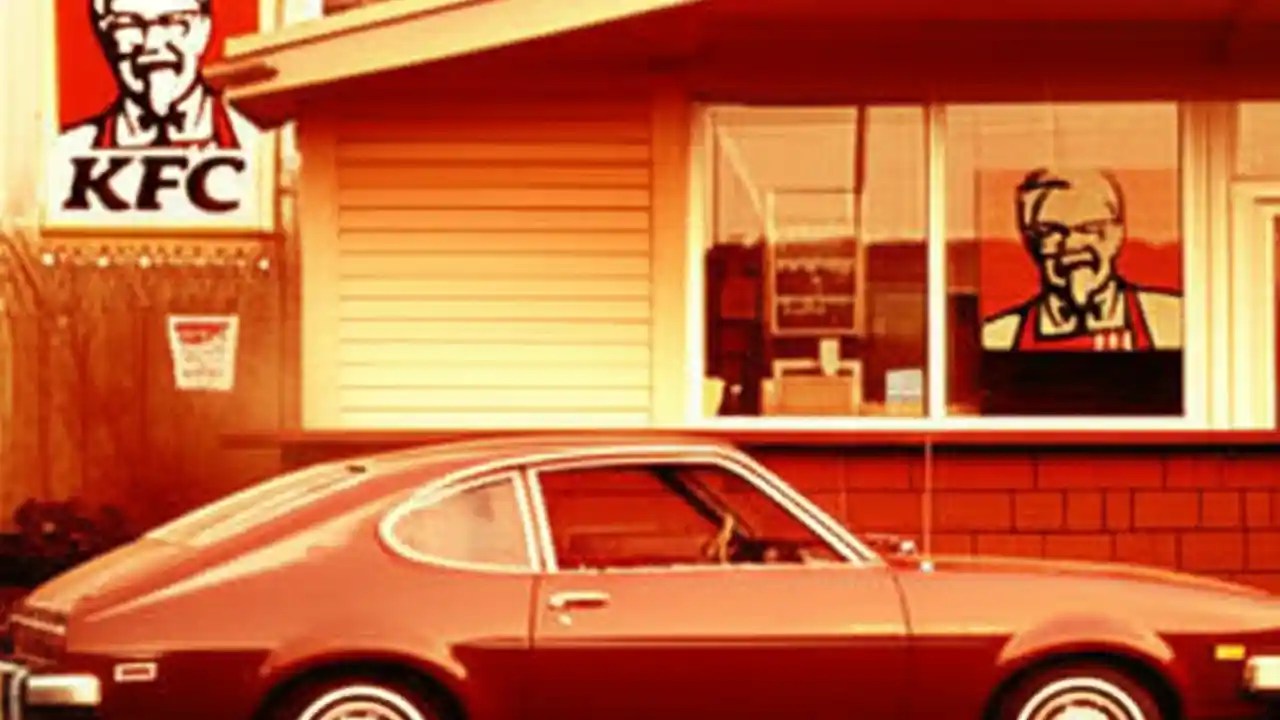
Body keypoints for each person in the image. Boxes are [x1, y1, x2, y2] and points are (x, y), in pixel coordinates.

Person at [982, 168, 1182, 352]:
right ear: (1029, 241)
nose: (1072, 245)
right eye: (1051, 231)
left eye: (1090, 228)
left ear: (1118, 234)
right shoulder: (998, 337)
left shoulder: (1174, 319)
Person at [56, 0, 256, 151]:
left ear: (204, 29)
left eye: (174, 21)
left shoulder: (256, 142)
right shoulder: (67, 152)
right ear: (105, 36)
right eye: (128, 23)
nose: (152, 43)